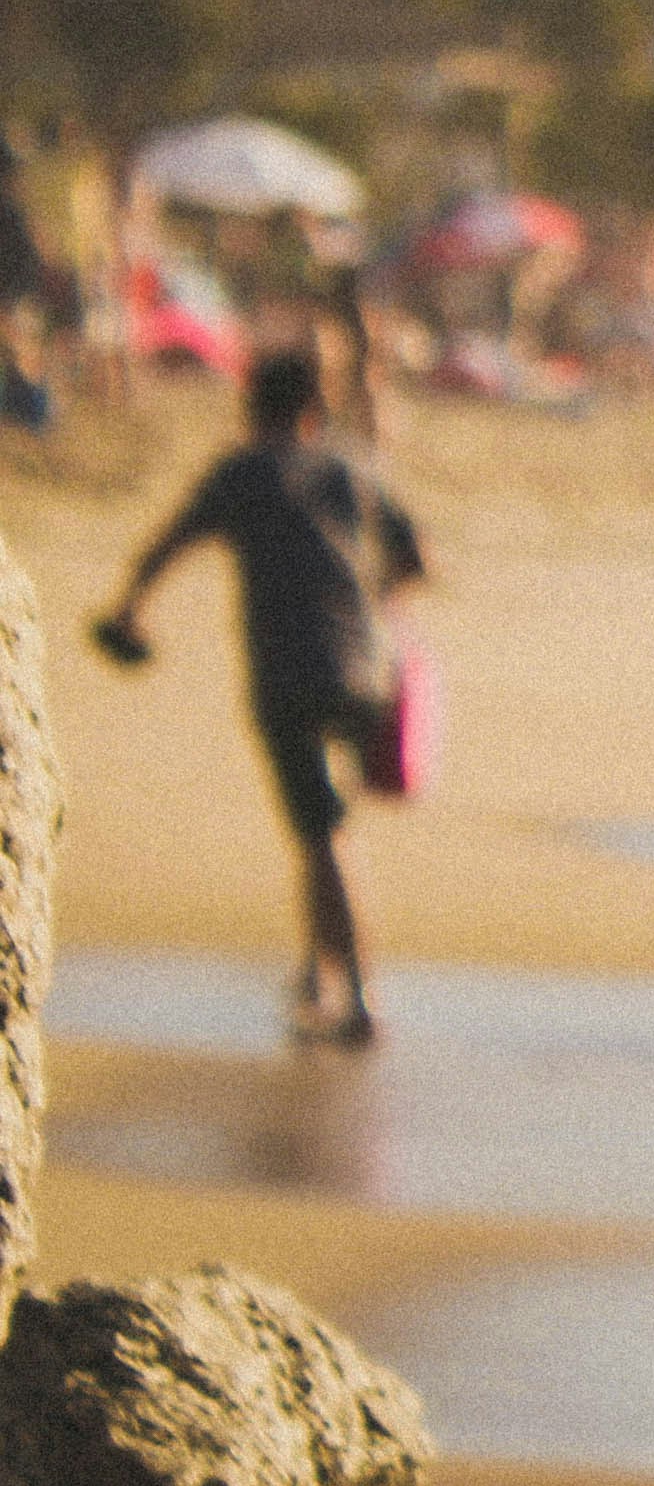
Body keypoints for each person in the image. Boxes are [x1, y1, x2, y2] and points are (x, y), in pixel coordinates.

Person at [94, 342, 424, 1045]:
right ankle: (318, 976)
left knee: (320, 831)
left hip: (289, 674)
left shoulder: (242, 473)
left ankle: (359, 997)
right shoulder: (348, 464)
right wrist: (380, 612)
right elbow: (413, 556)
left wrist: (130, 610)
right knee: (324, 828)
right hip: (368, 672)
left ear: (252, 403)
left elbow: (169, 543)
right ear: (313, 405)